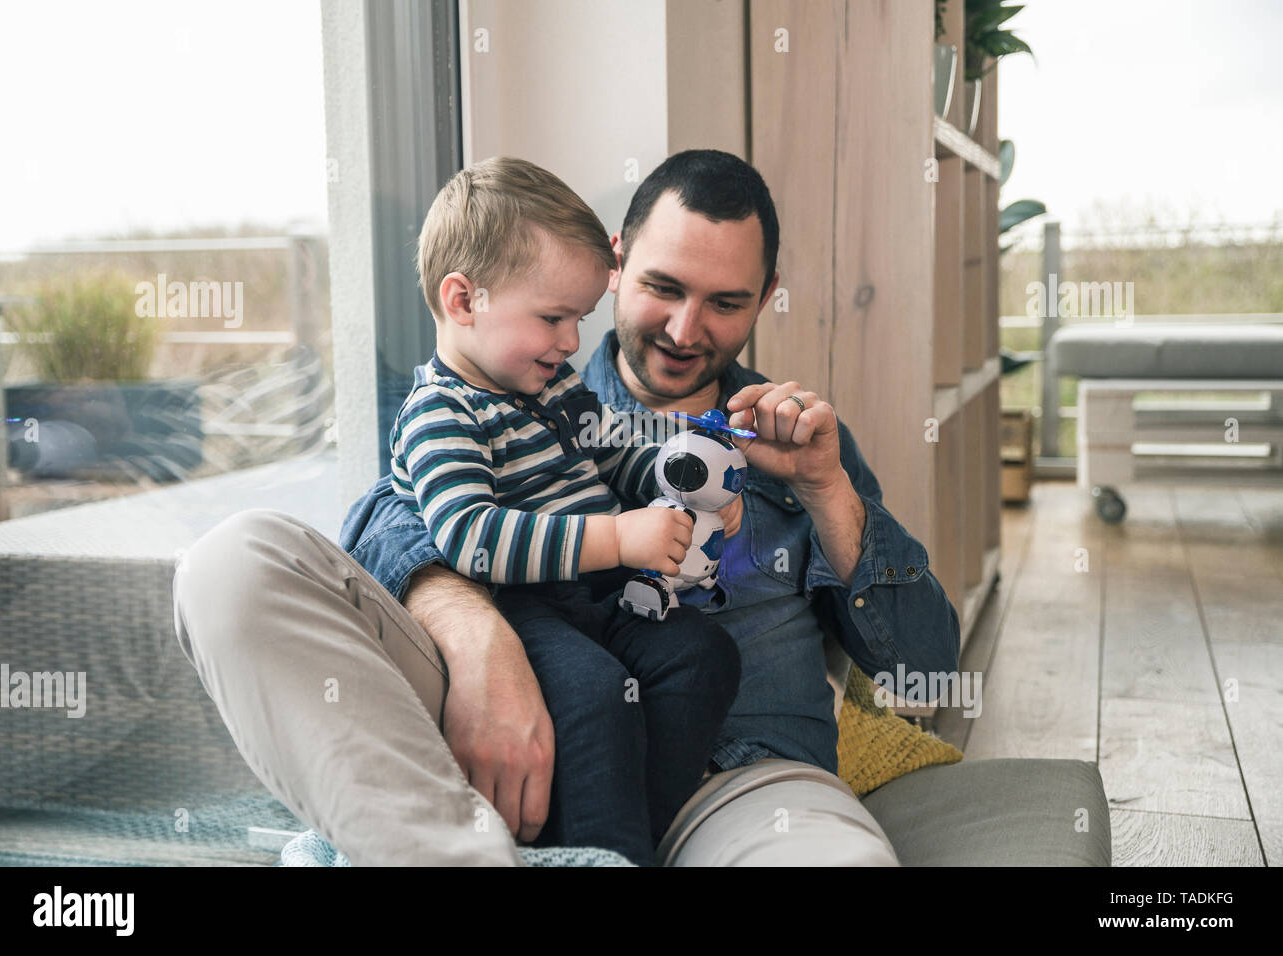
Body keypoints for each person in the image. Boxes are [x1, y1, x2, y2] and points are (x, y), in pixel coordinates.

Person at [172, 149, 960, 866]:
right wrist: (476, 635)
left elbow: (925, 673)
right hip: (505, 749)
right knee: (232, 565)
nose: (686, 330)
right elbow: (397, 514)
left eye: (725, 301)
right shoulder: (522, 387)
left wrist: (827, 491)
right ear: (616, 263)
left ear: (768, 298)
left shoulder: (799, 447)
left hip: (740, 785)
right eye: (663, 287)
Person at [387, 157, 743, 865]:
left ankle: (636, 835)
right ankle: (597, 852)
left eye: (579, 319)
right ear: (464, 302)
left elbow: (617, 453)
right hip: (522, 608)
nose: (572, 341)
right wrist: (618, 537)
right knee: (597, 696)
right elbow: (471, 537)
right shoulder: (440, 414)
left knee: (702, 655)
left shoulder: (555, 387)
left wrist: (683, 481)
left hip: (596, 599)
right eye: (552, 318)